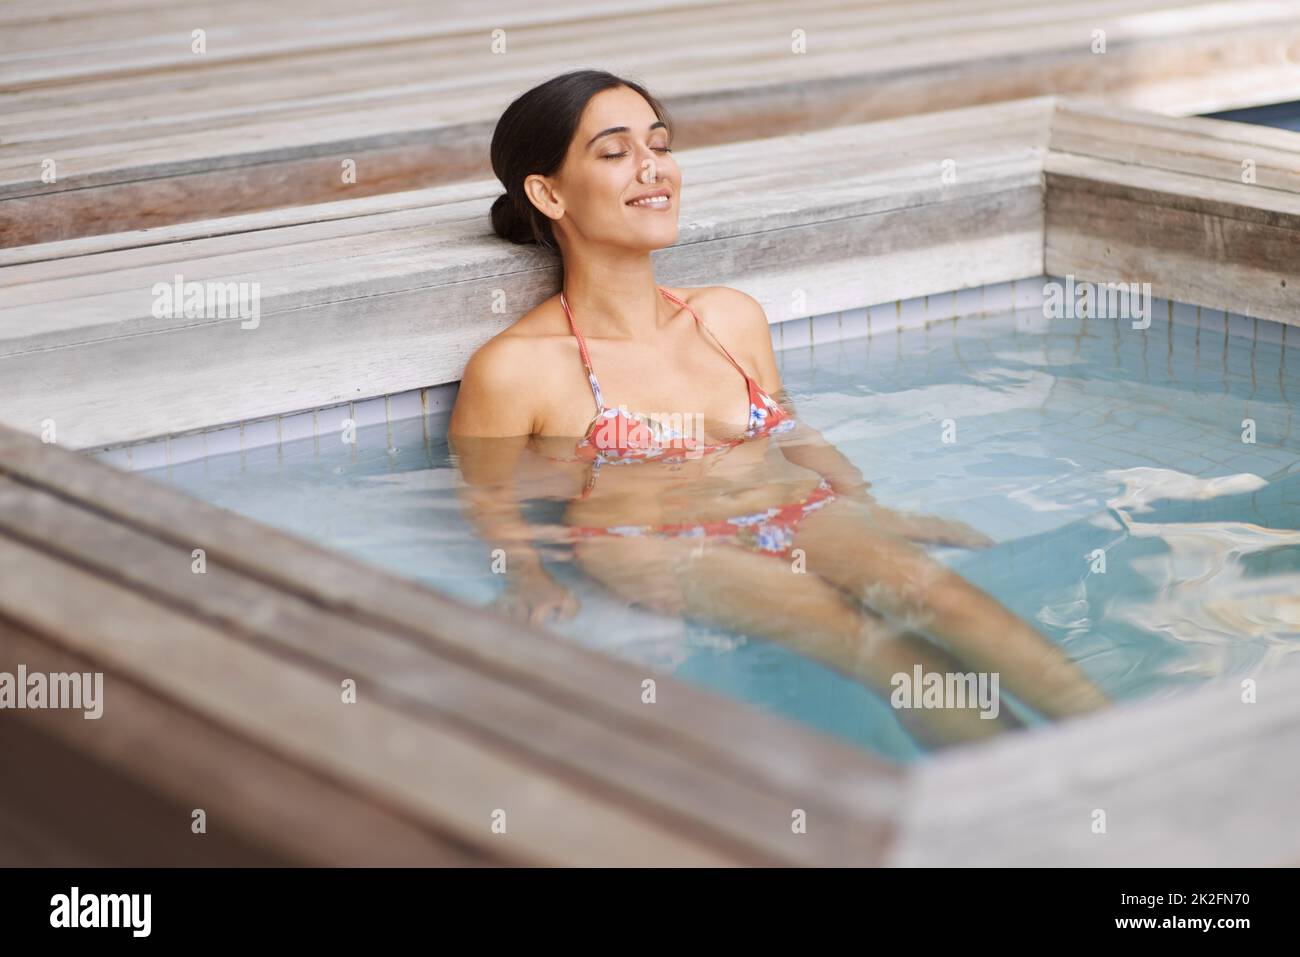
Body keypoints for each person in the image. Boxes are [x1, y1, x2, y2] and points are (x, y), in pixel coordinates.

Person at [449, 70, 1108, 747]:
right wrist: (527, 576)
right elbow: (487, 493)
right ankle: (1037, 813)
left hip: (792, 508)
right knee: (876, 643)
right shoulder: (517, 366)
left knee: (941, 596)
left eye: (660, 145)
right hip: (647, 541)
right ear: (548, 191)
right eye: (616, 153)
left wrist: (866, 504)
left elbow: (790, 426)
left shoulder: (729, 317)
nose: (653, 170)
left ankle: (1129, 754)